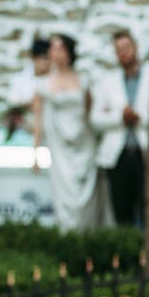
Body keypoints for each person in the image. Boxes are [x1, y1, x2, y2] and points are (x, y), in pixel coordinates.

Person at [90, 30, 149, 226]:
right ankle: (127, 254)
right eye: (118, 50)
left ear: (135, 47)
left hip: (146, 153)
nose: (123, 53)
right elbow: (95, 118)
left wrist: (140, 117)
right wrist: (119, 118)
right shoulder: (108, 81)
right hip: (118, 156)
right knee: (122, 213)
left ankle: (148, 256)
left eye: (126, 48)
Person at [33, 34, 110, 230]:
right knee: (64, 197)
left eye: (58, 48)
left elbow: (91, 114)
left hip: (85, 144)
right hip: (60, 149)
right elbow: (38, 120)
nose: (53, 52)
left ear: (68, 52)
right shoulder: (43, 83)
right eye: (52, 48)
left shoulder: (83, 80)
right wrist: (36, 153)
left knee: (89, 199)